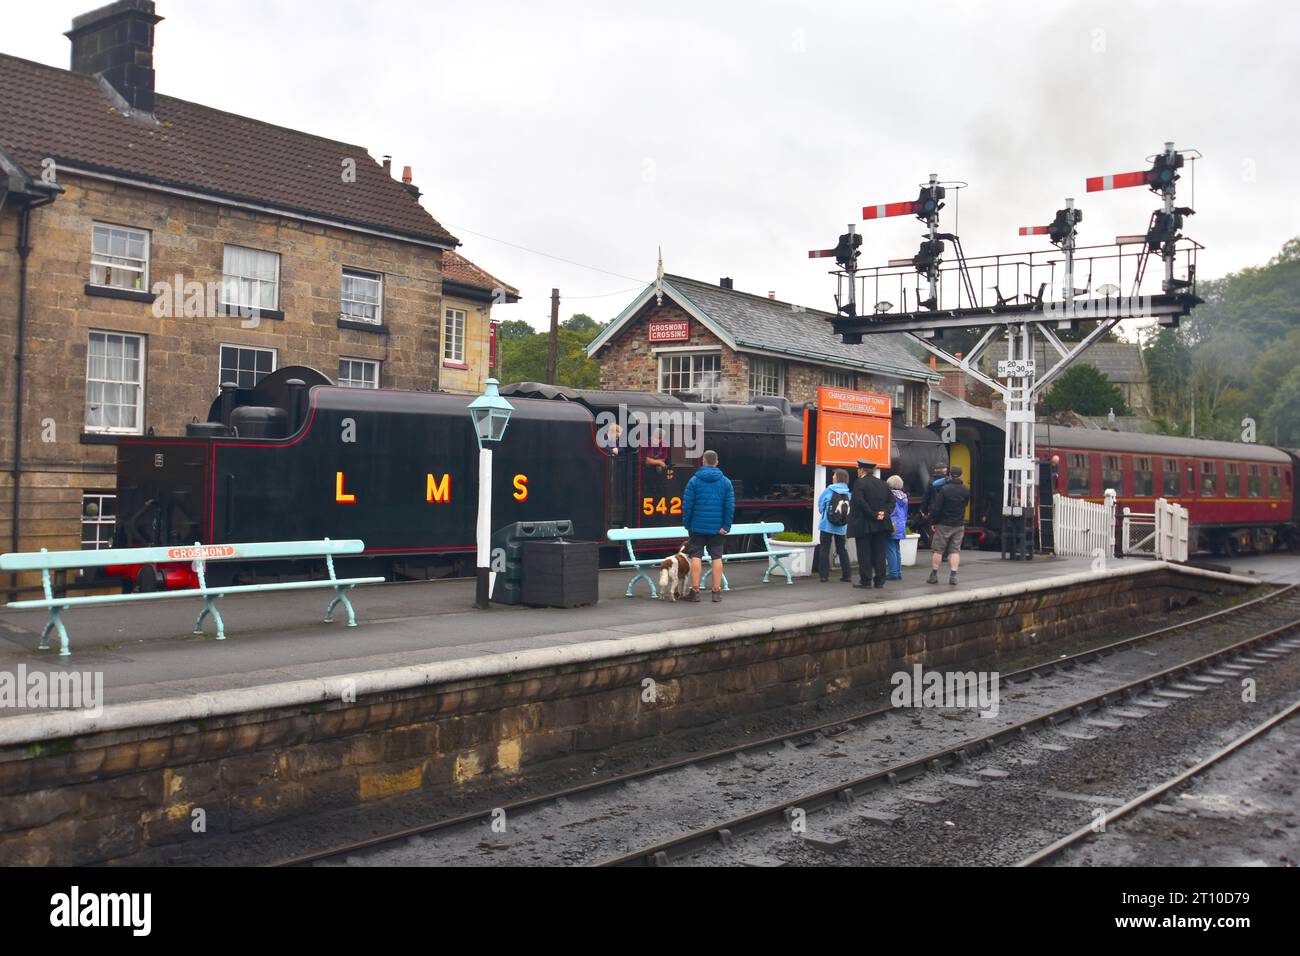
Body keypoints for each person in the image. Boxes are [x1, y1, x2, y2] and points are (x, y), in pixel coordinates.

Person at [681, 449, 734, 603]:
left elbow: (687, 505)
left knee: (696, 556)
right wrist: (726, 525)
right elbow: (729, 506)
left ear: (703, 461)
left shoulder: (694, 481)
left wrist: (687, 523)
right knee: (717, 557)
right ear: (717, 462)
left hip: (697, 526)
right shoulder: (726, 482)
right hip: (718, 528)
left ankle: (695, 591)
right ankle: (716, 592)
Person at [847, 458, 893, 589]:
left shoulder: (859, 483)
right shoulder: (883, 484)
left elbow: (860, 502)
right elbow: (891, 501)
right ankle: (880, 580)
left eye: (858, 469)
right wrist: (883, 513)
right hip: (881, 524)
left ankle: (866, 580)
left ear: (862, 469)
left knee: (864, 553)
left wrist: (873, 514)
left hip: (864, 524)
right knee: (879, 552)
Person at [925, 464, 971, 585]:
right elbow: (965, 504)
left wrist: (933, 522)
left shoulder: (944, 490)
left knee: (938, 550)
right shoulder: (966, 490)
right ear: (961, 475)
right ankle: (953, 576)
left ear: (950, 475)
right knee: (955, 551)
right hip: (959, 524)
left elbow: (937, 508)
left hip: (943, 524)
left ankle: (934, 575)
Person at [816, 469, 853, 583]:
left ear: (837, 478)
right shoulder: (848, 493)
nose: (832, 477)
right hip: (842, 527)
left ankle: (823, 576)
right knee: (842, 549)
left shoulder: (828, 490)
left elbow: (821, 506)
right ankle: (847, 575)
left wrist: (825, 512)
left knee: (824, 549)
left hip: (827, 525)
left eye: (834, 475)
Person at [885, 474, 908, 580]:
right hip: (901, 525)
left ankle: (893, 573)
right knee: (896, 549)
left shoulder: (890, 496)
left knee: (890, 549)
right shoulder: (904, 497)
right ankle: (898, 572)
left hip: (892, 525)